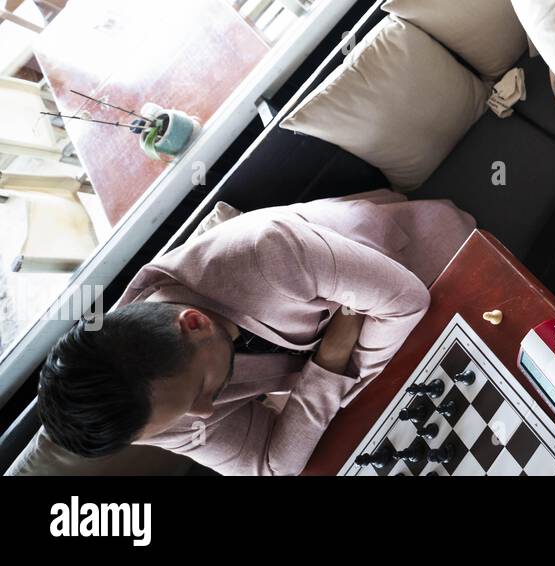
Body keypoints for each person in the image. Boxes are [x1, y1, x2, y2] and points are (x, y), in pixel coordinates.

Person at [37, 190, 475, 475]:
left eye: (201, 392)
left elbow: (405, 300)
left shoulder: (265, 252)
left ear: (194, 324)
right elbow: (270, 467)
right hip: (383, 348)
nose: (207, 414)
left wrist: (322, 390)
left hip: (438, 261)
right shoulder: (158, 413)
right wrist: (330, 358)